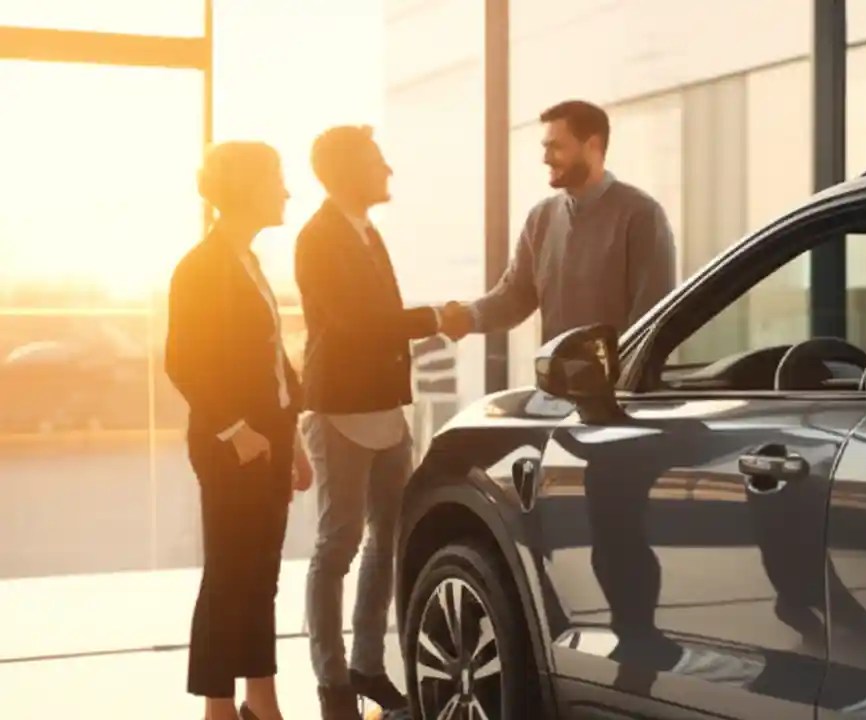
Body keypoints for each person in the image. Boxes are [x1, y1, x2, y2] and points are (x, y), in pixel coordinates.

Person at [295, 125, 441, 719]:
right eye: (378, 161)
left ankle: (367, 666)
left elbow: (378, 317)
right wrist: (436, 317)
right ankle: (332, 681)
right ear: (349, 170)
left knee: (389, 538)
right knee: (337, 546)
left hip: (385, 408)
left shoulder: (367, 233)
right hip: (340, 412)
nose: (388, 171)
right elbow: (360, 322)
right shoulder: (318, 238)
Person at [166, 141, 313, 720]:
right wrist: (235, 430)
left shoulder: (249, 262)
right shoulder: (200, 267)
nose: (286, 191)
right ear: (248, 187)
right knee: (229, 577)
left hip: (271, 438)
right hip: (232, 446)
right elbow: (184, 361)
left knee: (260, 579)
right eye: (276, 179)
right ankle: (218, 707)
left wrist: (293, 441)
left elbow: (271, 361)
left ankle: (262, 700)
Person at [439, 99, 676, 343]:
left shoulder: (641, 216)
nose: (546, 158)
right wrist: (460, 318)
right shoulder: (540, 218)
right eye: (545, 147)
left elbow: (653, 321)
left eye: (556, 147)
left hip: (620, 370)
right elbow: (515, 297)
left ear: (592, 145)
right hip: (553, 369)